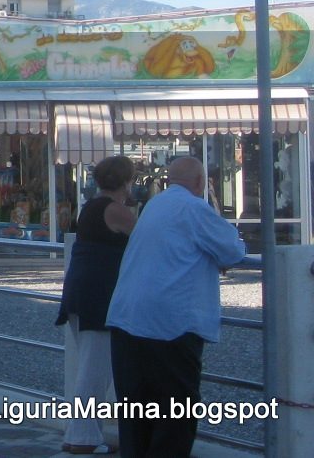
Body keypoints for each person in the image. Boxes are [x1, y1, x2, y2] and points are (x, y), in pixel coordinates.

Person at [105, 156, 245, 458]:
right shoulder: (193, 207)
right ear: (199, 182)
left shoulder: (155, 205)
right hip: (169, 323)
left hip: (127, 318)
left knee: (135, 412)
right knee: (176, 414)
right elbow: (233, 249)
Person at [55, 154, 137, 455]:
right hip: (101, 294)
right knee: (96, 370)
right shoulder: (119, 212)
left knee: (91, 366)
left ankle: (81, 434)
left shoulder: (90, 206)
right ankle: (84, 438)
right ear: (127, 181)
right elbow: (146, 241)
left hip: (80, 289)